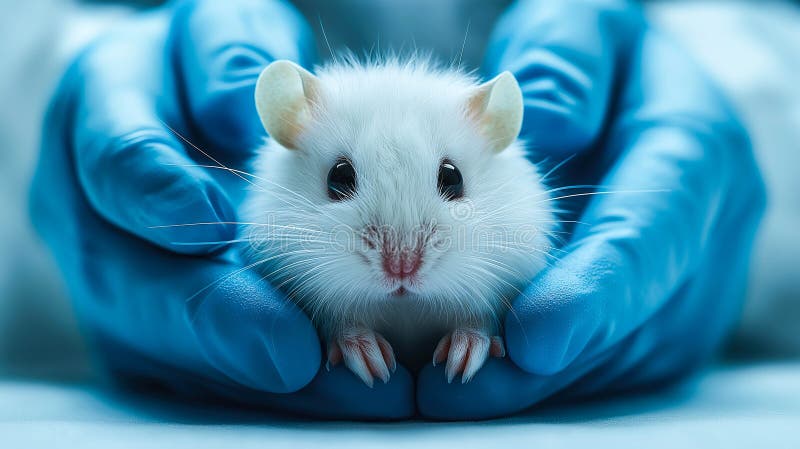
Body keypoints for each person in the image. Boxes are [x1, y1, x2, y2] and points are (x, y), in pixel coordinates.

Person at [29, 0, 766, 419]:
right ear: (290, 123)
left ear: (495, 128)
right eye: (341, 179)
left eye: (451, 180)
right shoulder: (278, 177)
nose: (401, 258)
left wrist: (485, 322)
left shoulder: (505, 175)